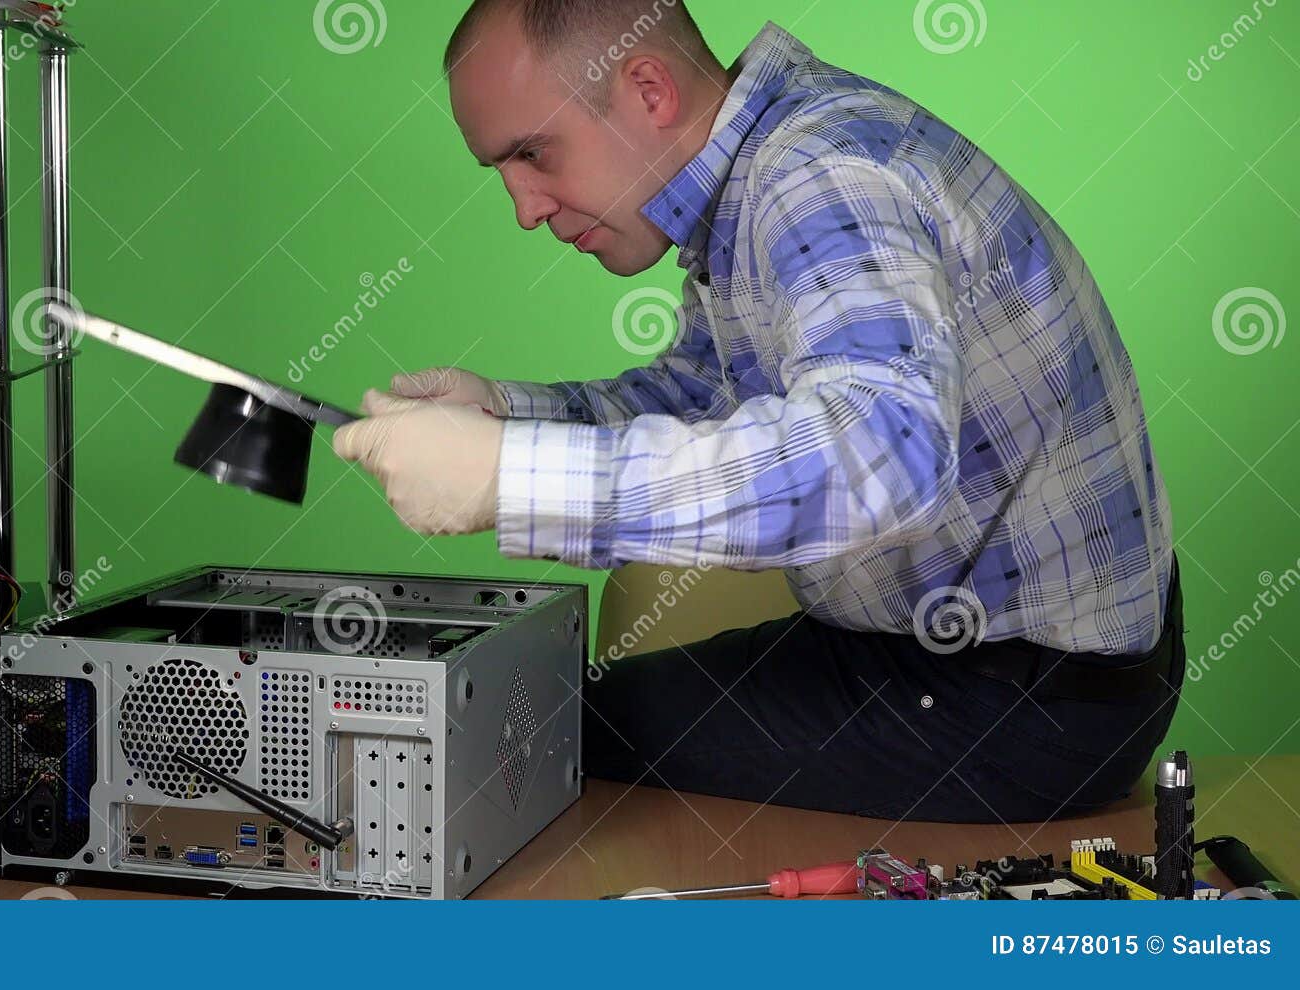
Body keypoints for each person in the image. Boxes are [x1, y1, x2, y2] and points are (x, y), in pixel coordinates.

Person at [333, 0, 1180, 823]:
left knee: (548, 740)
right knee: (571, 719)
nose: (524, 210)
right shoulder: (762, 165)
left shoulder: (817, 177)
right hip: (956, 649)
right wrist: (502, 421)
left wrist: (509, 480)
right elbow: (702, 395)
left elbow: (883, 455)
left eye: (533, 153)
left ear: (650, 91)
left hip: (1021, 701)